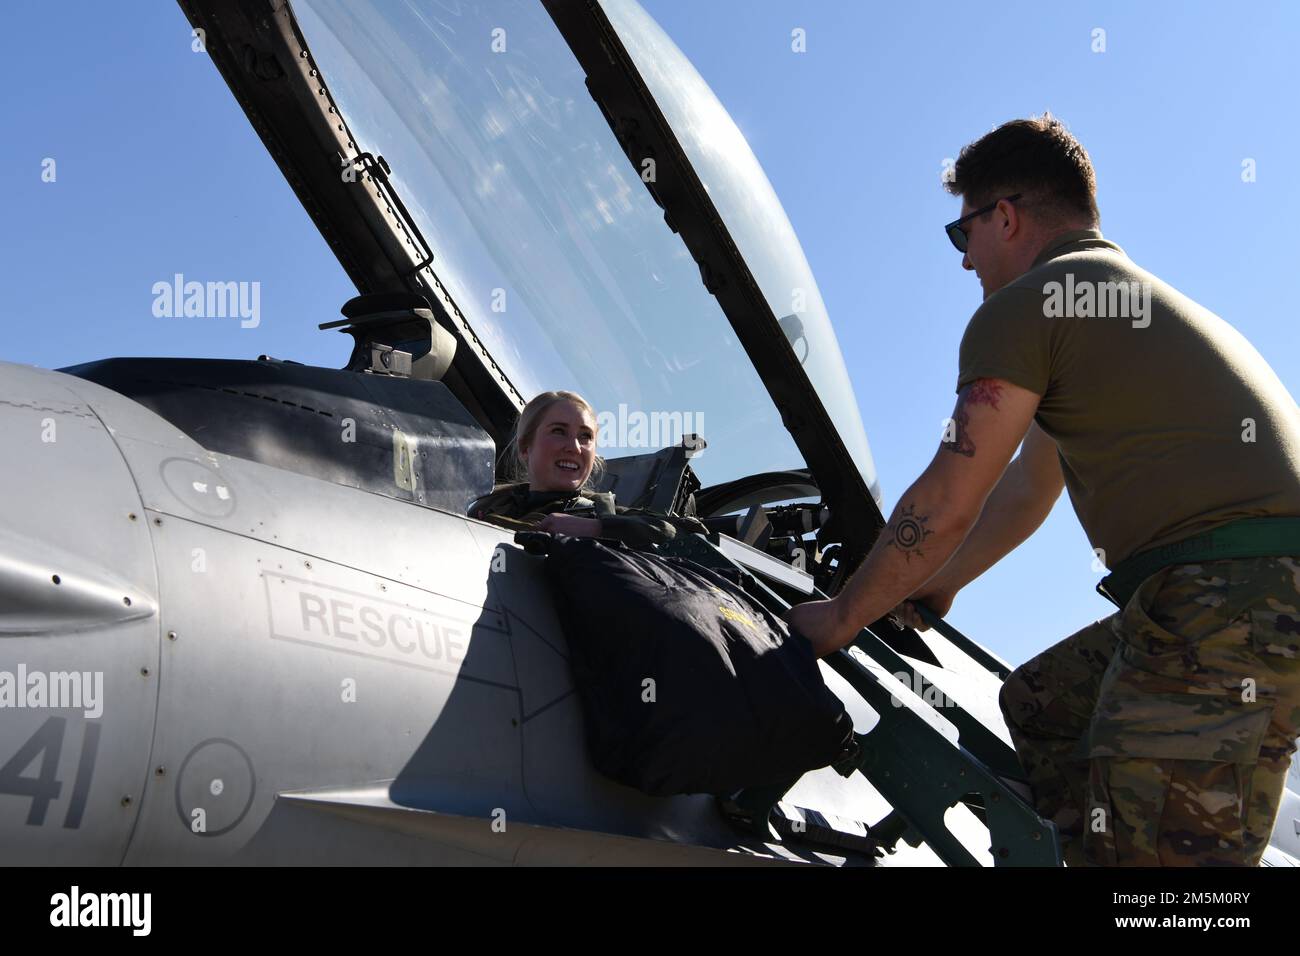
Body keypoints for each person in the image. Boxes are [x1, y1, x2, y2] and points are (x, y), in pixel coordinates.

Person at [786, 114, 1300, 866]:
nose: (965, 264)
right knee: (1045, 706)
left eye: (964, 236)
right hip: (1259, 600)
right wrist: (936, 586)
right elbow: (1030, 485)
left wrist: (841, 615)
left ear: (1005, 215)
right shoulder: (1116, 309)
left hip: (1214, 600)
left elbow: (948, 497)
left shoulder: (1028, 307)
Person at [469, 389, 700, 548]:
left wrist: (595, 528)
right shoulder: (484, 505)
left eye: (585, 436)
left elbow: (687, 534)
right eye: (559, 431)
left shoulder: (600, 514)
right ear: (525, 448)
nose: (574, 447)